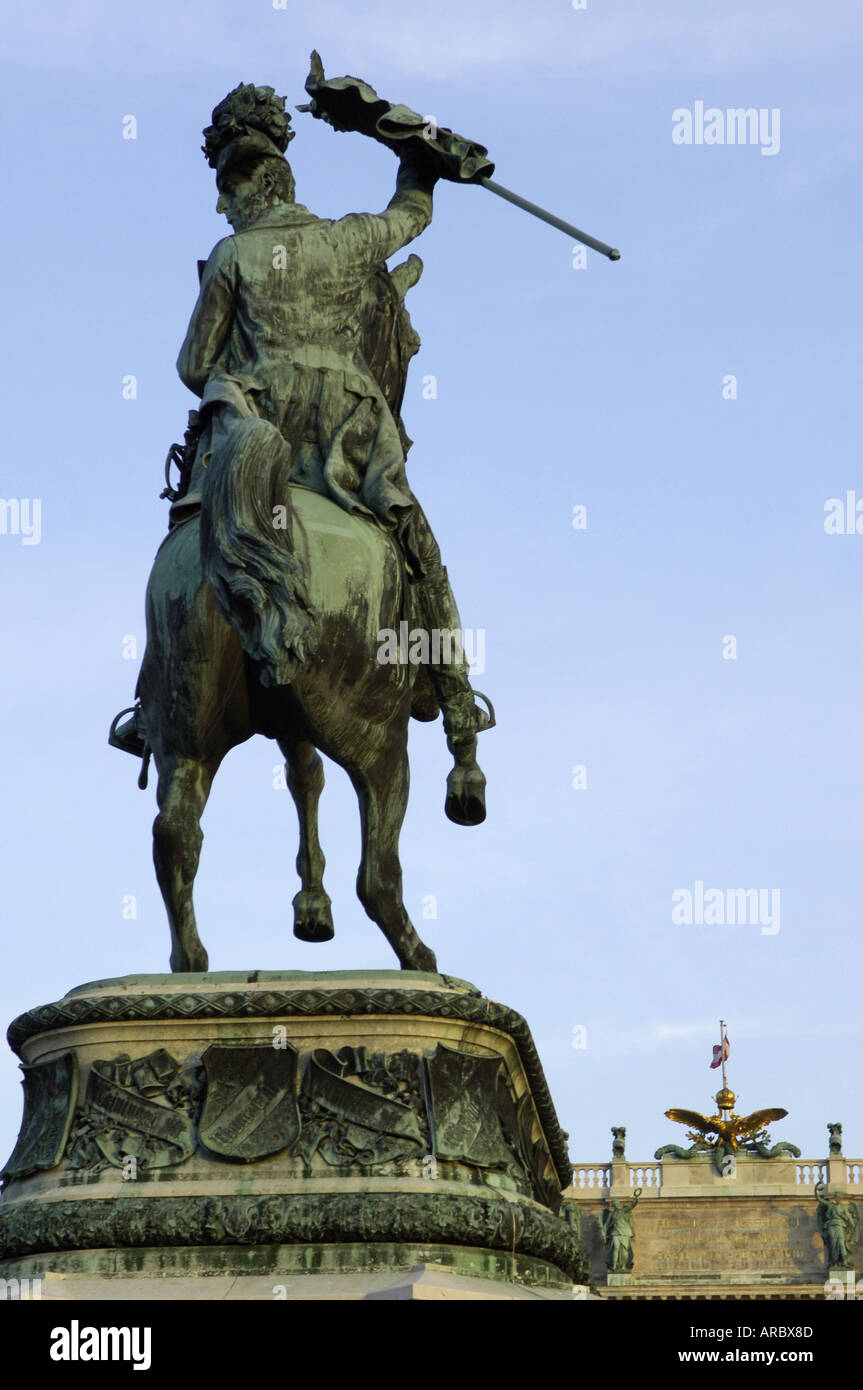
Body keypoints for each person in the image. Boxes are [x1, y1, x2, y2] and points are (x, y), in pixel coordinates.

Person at [112, 83, 492, 825]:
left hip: (258, 421)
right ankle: (459, 713)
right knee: (415, 546)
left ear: (260, 184)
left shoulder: (231, 255)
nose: (222, 206)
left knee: (190, 532)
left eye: (229, 187)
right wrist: (416, 158)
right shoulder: (350, 240)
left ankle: (149, 701)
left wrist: (233, 383)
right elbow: (411, 214)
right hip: (348, 432)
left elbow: (193, 365)